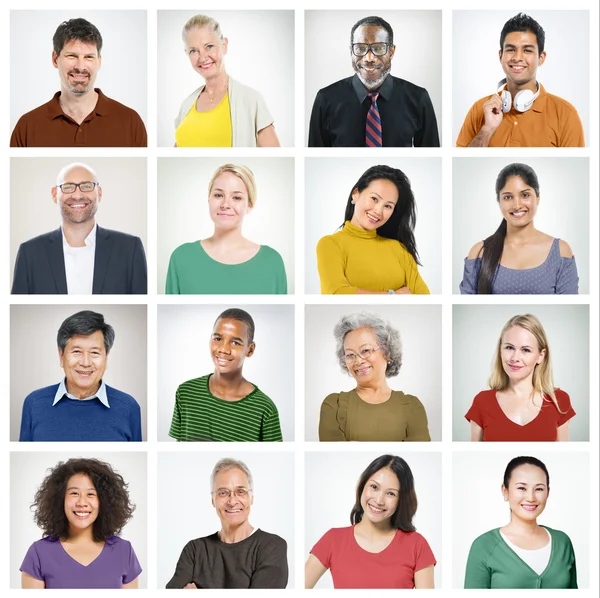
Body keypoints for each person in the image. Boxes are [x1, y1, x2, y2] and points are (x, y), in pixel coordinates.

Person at [12, 162, 147, 295]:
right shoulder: (29, 253)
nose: (77, 195)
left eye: (87, 186)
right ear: (54, 194)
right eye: (68, 187)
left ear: (99, 193)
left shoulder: (130, 249)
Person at [10, 18, 147, 147]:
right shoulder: (27, 126)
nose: (80, 66)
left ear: (99, 61)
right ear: (55, 59)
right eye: (72, 56)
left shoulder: (130, 122)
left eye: (89, 57)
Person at [305, 454, 435, 589]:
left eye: (391, 493)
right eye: (374, 487)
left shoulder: (417, 545)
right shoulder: (333, 540)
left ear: (401, 500)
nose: (379, 501)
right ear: (362, 486)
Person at [308, 16, 439, 147]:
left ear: (391, 51)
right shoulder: (325, 99)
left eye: (379, 48)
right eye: (360, 48)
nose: (369, 58)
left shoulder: (418, 98)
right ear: (351, 51)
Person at [456, 13, 584, 147]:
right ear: (501, 56)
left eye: (527, 50)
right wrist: (487, 129)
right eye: (511, 49)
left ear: (541, 58)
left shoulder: (565, 115)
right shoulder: (479, 109)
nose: (517, 57)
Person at [19, 310, 142, 442]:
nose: (85, 362)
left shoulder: (128, 407)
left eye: (94, 352)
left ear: (106, 357)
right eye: (77, 351)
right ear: (61, 356)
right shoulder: (34, 403)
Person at [166, 458, 288, 588]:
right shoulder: (195, 550)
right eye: (223, 493)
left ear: (251, 498)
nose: (232, 501)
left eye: (240, 491)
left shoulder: (271, 547)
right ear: (213, 500)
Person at [165, 163, 287, 294]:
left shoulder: (272, 262)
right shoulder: (182, 257)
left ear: (249, 205)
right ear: (208, 199)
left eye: (236, 197)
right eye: (218, 195)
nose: (225, 204)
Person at [20, 458, 141, 589]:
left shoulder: (123, 551)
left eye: (90, 494)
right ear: (60, 499)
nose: (82, 502)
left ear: (103, 501)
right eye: (74, 493)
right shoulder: (39, 553)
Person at [460, 163, 578, 294]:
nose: (517, 205)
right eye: (508, 197)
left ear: (538, 198)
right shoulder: (479, 252)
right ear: (499, 202)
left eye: (525, 195)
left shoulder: (560, 251)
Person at [169, 308, 283, 442]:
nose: (223, 349)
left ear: (250, 349)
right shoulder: (186, 393)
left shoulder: (264, 409)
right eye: (217, 338)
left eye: (235, 342)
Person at [464, 456, 577, 588]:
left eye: (539, 489)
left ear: (548, 492)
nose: (531, 498)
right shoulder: (484, 546)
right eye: (522, 488)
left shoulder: (563, 542)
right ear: (505, 491)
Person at [316, 165, 429, 294]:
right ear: (355, 194)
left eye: (388, 206)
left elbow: (424, 297)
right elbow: (335, 293)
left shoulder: (400, 249)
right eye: (374, 199)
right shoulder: (331, 244)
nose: (378, 211)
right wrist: (393, 295)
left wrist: (356, 292)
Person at [319, 312, 430, 441]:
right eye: (350, 354)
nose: (358, 361)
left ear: (387, 352)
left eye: (365, 350)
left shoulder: (412, 406)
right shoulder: (334, 405)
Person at [465, 314, 575, 442]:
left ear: (541, 355)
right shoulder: (482, 402)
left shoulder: (559, 400)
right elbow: (477, 457)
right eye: (509, 348)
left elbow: (561, 456)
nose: (515, 358)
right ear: (500, 350)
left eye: (526, 350)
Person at [174, 14, 280, 147]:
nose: (202, 57)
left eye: (209, 46)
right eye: (193, 51)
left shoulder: (251, 100)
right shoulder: (186, 105)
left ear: (224, 45)